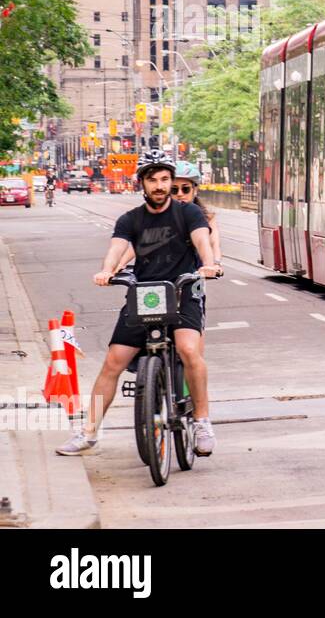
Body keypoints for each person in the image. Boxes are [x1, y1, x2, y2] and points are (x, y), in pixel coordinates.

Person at [55, 149, 221, 457]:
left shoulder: (188, 213)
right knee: (113, 361)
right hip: (145, 294)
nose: (160, 186)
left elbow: (201, 240)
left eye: (165, 180)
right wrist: (107, 270)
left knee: (188, 349)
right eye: (152, 180)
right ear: (141, 183)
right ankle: (88, 432)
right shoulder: (130, 219)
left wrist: (208, 265)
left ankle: (201, 421)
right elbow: (117, 248)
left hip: (184, 289)